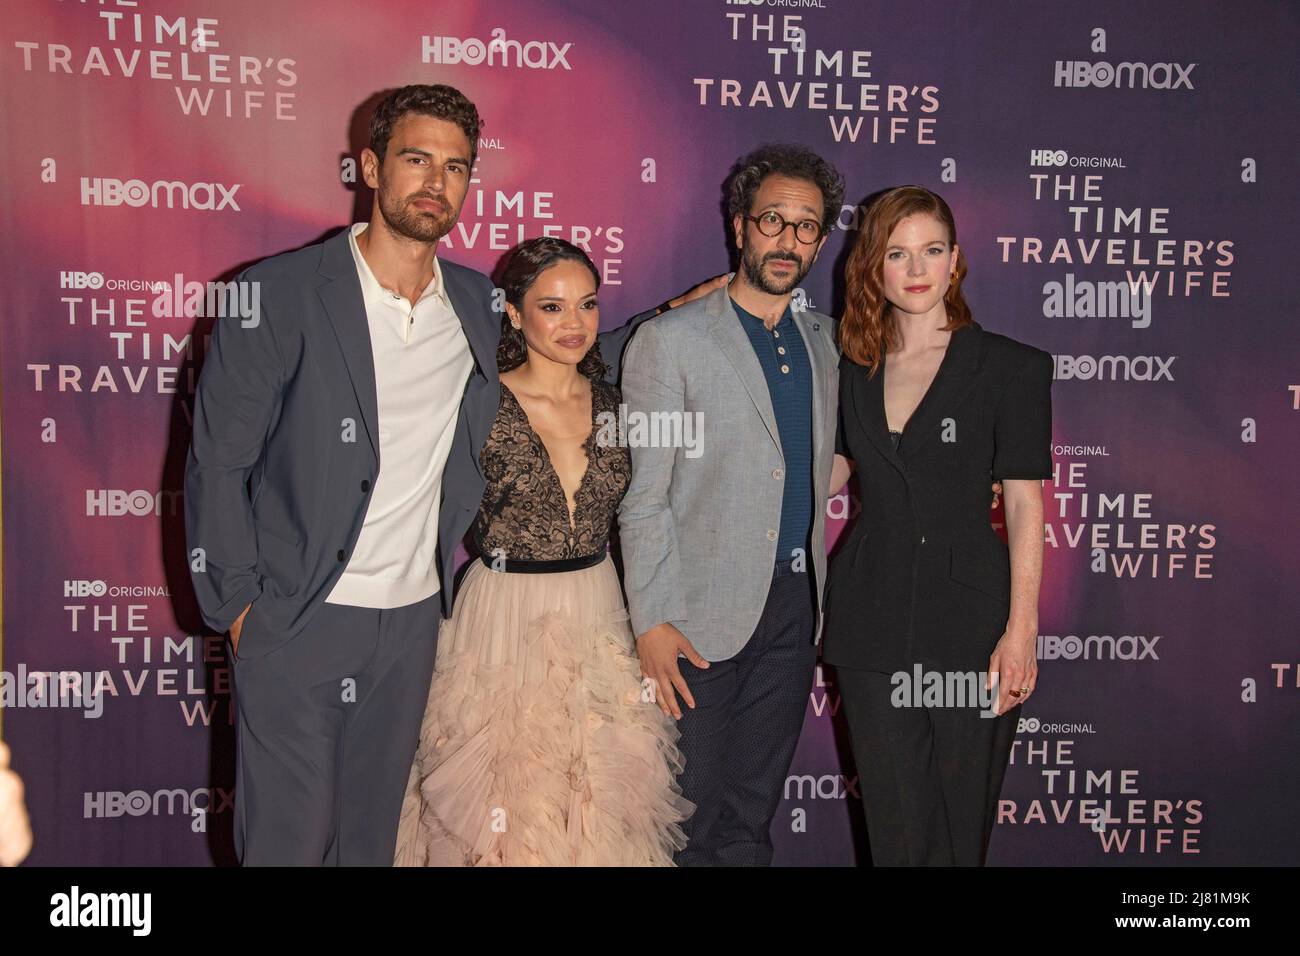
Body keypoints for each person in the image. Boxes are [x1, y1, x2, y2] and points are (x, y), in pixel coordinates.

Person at [185, 84, 709, 866]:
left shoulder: (470, 301)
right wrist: (239, 612)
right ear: (369, 166)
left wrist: (676, 311)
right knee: (287, 842)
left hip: (412, 625)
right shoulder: (278, 294)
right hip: (297, 616)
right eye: (416, 159)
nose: (436, 182)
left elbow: (560, 347)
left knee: (369, 843)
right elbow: (217, 462)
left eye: (456, 167)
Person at [393, 238, 693, 866]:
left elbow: (654, 510)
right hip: (503, 614)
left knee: (595, 802)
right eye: (552, 308)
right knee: (506, 809)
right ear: (512, 311)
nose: (575, 324)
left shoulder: (619, 403)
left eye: (586, 305)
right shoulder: (475, 401)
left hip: (599, 607)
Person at [618, 144, 846, 865]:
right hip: (694, 616)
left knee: (751, 817)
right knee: (688, 820)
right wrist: (650, 620)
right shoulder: (669, 341)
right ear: (740, 226)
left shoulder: (826, 343)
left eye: (807, 226)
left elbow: (818, 462)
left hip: (791, 608)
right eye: (773, 221)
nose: (789, 240)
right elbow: (643, 497)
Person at [824, 185, 1052, 866]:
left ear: (956, 260)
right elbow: (827, 475)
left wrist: (1022, 630)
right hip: (870, 619)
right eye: (897, 253)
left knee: (958, 834)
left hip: (973, 624)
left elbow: (1024, 504)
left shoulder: (1012, 368)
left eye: (931, 250)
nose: (917, 268)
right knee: (894, 832)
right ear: (874, 266)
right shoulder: (851, 369)